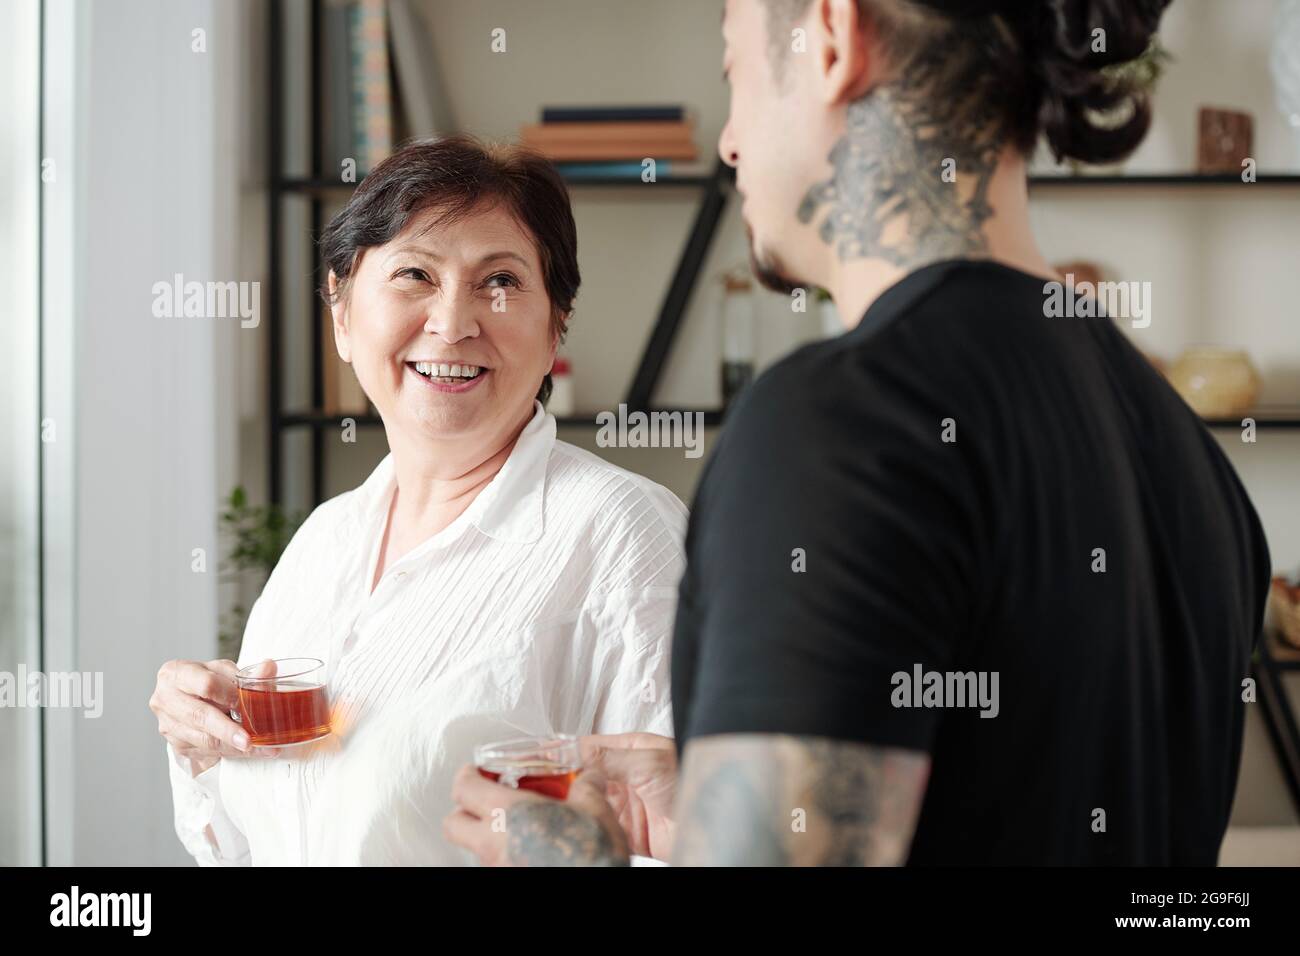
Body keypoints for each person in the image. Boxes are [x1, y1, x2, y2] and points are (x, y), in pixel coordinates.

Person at [445, 0, 1271, 866]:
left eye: (736, 74)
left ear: (832, 40)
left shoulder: (837, 425)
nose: (730, 142)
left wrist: (567, 857)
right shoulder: (1184, 448)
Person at [149, 136, 687, 865]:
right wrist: (207, 741)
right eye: (414, 274)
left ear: (557, 321)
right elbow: (254, 847)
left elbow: (696, 843)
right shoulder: (323, 541)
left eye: (499, 281)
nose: (454, 322)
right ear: (341, 313)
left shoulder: (626, 535)